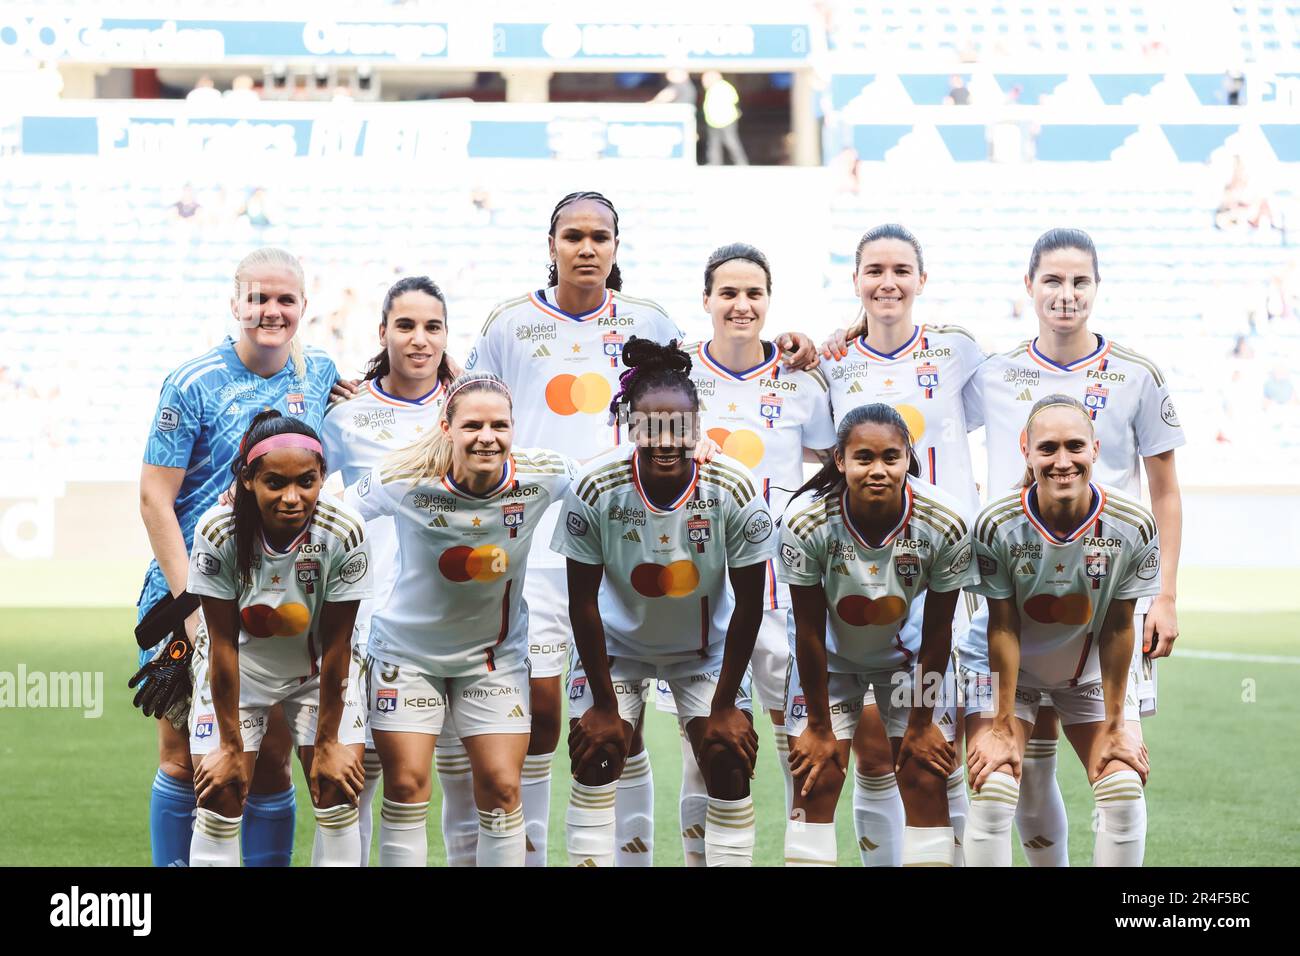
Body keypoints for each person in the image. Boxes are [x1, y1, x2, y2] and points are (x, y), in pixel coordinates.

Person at [464, 191, 816, 865]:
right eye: (573, 236)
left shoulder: (650, 321)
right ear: (551, 244)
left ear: (617, 248)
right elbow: (476, 412)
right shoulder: (509, 324)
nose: (587, 247)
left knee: (656, 735)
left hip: (641, 553)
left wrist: (796, 345)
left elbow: (703, 372)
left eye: (600, 236)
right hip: (540, 550)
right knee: (550, 726)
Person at [961, 228, 1185, 865]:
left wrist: (1164, 596)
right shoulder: (993, 374)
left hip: (1106, 598)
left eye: (1079, 280)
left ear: (1096, 287)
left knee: (1116, 771)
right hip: (1016, 587)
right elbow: (910, 406)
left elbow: (1165, 491)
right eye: (1052, 281)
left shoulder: (1137, 374)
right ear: (1029, 287)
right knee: (1019, 773)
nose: (1065, 294)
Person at [138, 246, 340, 867]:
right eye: (258, 298)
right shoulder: (192, 381)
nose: (271, 310)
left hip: (280, 596)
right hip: (190, 595)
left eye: (284, 299)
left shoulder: (319, 374)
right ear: (235, 303)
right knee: (187, 757)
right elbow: (154, 498)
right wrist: (190, 606)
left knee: (271, 759)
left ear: (304, 306)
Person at [554, 337, 774, 867]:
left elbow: (748, 604)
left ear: (697, 429)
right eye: (650, 425)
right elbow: (581, 600)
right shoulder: (594, 486)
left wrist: (725, 707)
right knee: (599, 751)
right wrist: (605, 708)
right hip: (615, 650)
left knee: (726, 756)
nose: (665, 438)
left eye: (679, 425)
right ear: (631, 426)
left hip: (705, 652)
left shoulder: (734, 488)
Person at [347, 373, 577, 867]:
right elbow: (333, 513)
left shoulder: (542, 475)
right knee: (406, 785)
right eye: (473, 425)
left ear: (514, 429)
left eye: (500, 425)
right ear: (447, 427)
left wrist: (698, 444)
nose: (487, 437)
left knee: (501, 787)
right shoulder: (402, 478)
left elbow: (612, 478)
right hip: (406, 657)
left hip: (492, 661)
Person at [655, 243, 835, 864]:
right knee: (704, 749)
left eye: (753, 293)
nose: (741, 305)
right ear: (705, 300)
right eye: (727, 293)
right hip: (702, 593)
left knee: (800, 746)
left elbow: (828, 470)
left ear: (769, 302)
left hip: (783, 592)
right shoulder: (677, 382)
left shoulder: (800, 382)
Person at [819, 224, 984, 865]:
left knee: (945, 736)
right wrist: (835, 334)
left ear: (922, 280)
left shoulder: (958, 351)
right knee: (873, 742)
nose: (888, 282)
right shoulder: (833, 361)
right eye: (874, 271)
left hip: (953, 569)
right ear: (856, 280)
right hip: (862, 570)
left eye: (901, 271)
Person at [963, 395, 1159, 867]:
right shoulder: (998, 523)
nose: (1062, 461)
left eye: (1075, 446)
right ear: (1026, 450)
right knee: (996, 784)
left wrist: (1115, 726)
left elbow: (1118, 627)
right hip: (1007, 666)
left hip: (1089, 666)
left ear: (1095, 448)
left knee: (1122, 786)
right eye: (1048, 448)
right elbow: (1003, 626)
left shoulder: (1132, 524)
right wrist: (1004, 725)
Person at [780, 403, 976, 867]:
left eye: (891, 457)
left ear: (908, 458)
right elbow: (808, 629)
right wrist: (820, 728)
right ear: (840, 461)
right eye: (863, 457)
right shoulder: (805, 522)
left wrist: (923, 723)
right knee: (816, 777)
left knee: (925, 776)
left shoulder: (944, 520)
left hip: (910, 662)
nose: (878, 469)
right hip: (827, 661)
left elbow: (938, 630)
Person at [186, 411, 370, 866]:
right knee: (221, 793)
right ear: (249, 480)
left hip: (316, 673)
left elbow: (338, 646)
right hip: (239, 671)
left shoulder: (344, 530)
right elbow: (223, 643)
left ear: (322, 477)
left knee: (336, 790)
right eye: (275, 483)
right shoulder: (218, 531)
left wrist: (327, 742)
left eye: (306, 482)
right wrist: (229, 746)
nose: (292, 497)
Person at [319, 276, 454, 865]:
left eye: (432, 327)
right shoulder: (346, 417)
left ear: (447, 336)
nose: (419, 339)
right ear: (382, 332)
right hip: (362, 621)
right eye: (405, 325)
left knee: (442, 784)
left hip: (449, 627)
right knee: (347, 784)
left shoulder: (469, 411)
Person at [702, 71, 748, 166]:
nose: (704, 82)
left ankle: (741, 163)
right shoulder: (712, 89)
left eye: (705, 79)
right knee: (713, 143)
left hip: (726, 120)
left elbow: (734, 101)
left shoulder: (723, 87)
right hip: (713, 121)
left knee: (731, 142)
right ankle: (714, 163)